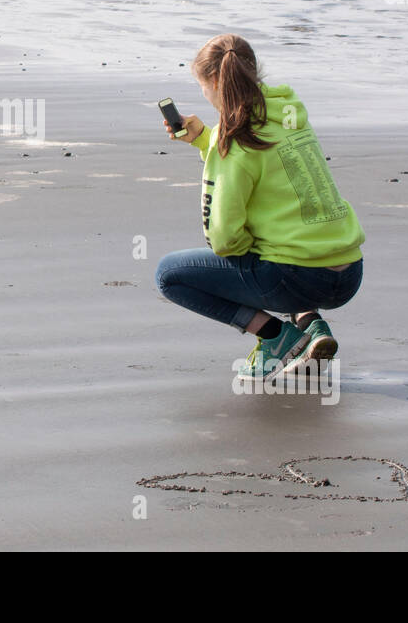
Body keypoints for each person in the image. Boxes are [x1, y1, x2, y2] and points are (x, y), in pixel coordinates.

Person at [154, 34, 365, 382]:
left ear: (216, 82)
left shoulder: (234, 139)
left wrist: (218, 143)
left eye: (203, 87)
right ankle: (311, 324)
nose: (205, 96)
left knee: (169, 275)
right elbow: (263, 159)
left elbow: (223, 241)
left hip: (299, 278)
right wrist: (205, 138)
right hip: (348, 273)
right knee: (287, 233)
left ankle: (274, 336)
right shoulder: (288, 111)